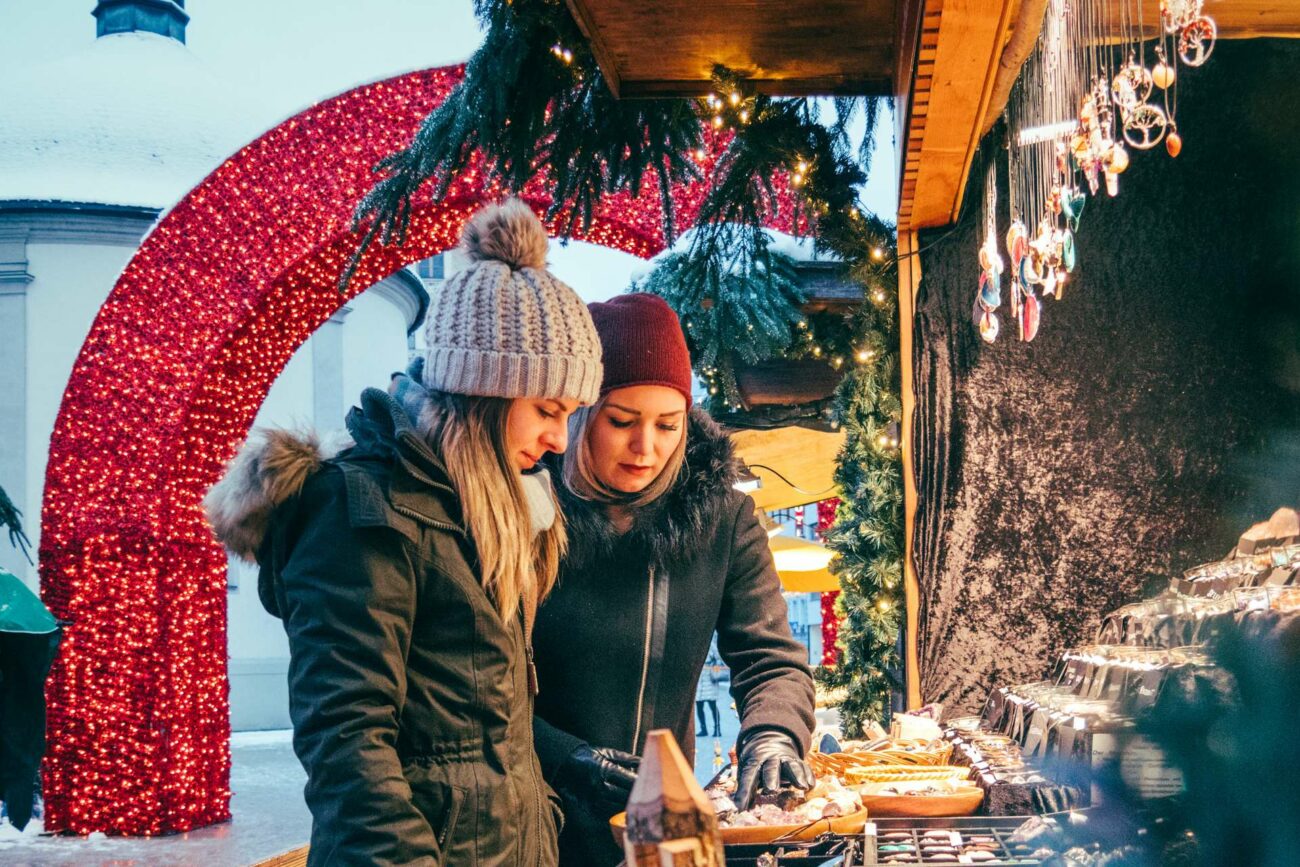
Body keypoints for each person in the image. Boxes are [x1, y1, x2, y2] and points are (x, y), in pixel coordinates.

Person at [204, 200, 602, 866]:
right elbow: (349, 743)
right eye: (547, 410)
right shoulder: (360, 506)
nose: (559, 438)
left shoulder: (482, 510)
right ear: (486, 392)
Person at [531, 293, 816, 867]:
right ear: (581, 414)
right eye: (622, 422)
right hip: (539, 820)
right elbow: (484, 688)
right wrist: (566, 758)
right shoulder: (527, 512)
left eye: (667, 424)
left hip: (667, 833)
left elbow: (771, 658)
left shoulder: (722, 517)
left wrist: (774, 733)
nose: (647, 448)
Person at [695, 651, 723, 738]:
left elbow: (719, 658)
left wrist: (715, 669)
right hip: (699, 679)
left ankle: (717, 729)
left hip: (710, 678)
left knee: (712, 705)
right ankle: (703, 729)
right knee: (699, 705)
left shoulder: (712, 645)